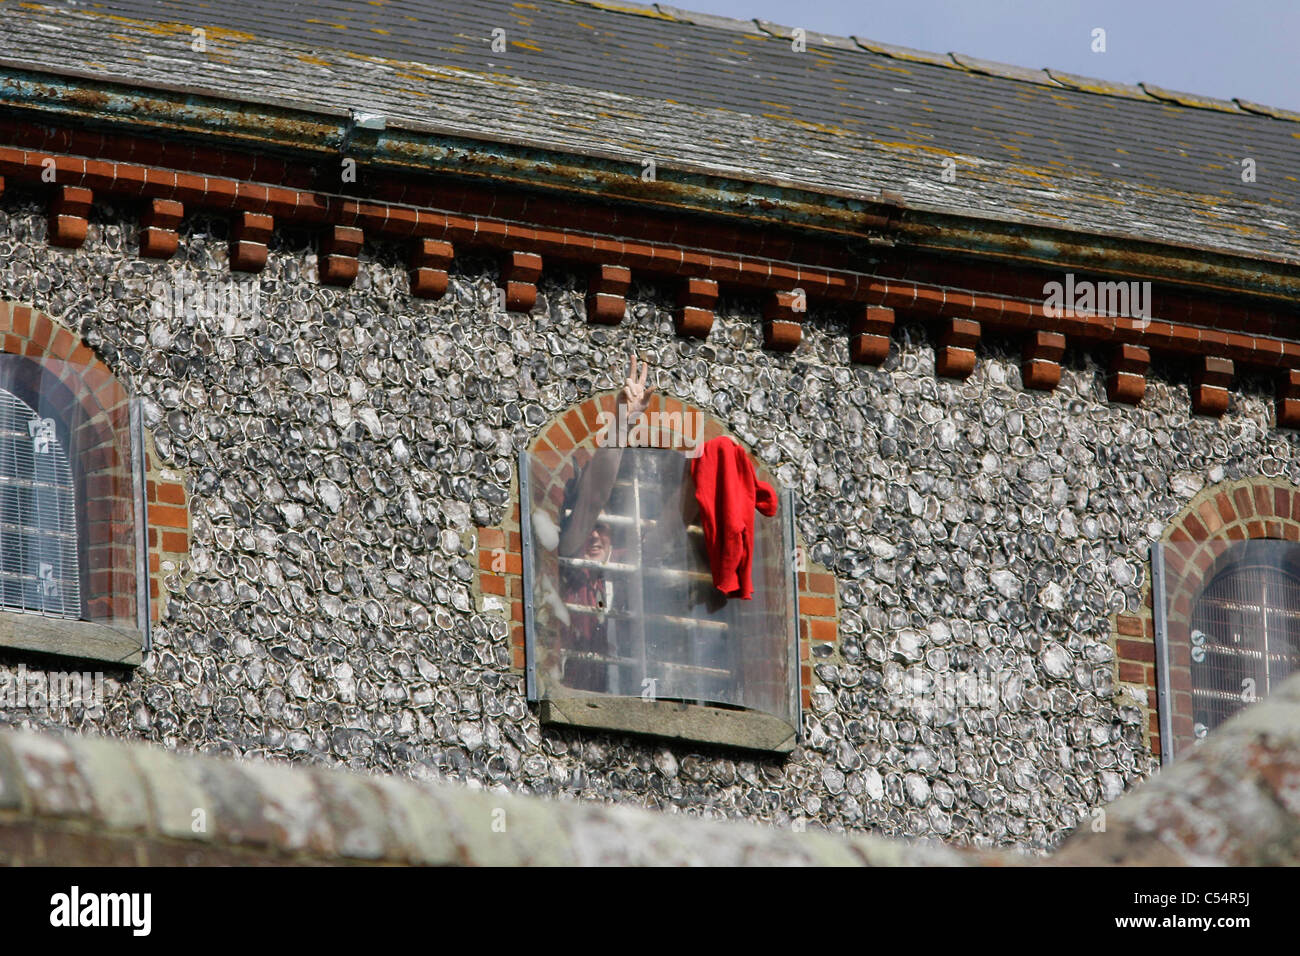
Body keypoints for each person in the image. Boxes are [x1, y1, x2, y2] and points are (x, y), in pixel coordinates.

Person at [554, 354, 654, 692]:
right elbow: (594, 496)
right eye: (590, 527)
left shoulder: (624, 565)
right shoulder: (571, 557)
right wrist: (622, 425)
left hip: (620, 689)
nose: (594, 535)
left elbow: (664, 537)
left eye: (604, 528)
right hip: (569, 688)